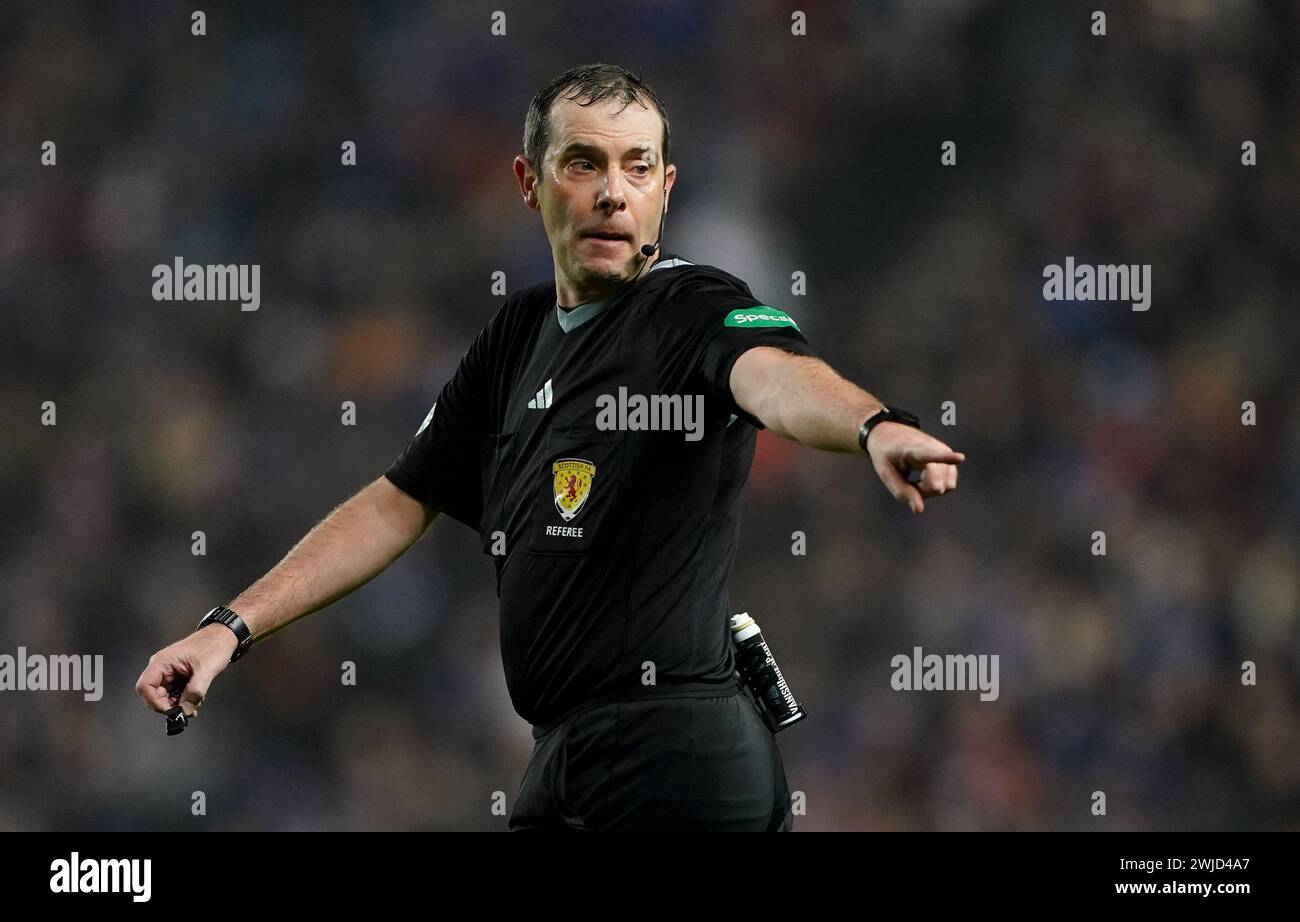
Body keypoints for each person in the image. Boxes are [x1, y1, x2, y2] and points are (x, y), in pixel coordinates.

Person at [135, 62, 965, 831]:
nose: (614, 193)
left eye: (639, 168)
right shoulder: (515, 335)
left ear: (666, 190)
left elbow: (778, 379)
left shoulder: (692, 309)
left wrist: (872, 425)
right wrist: (228, 630)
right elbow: (399, 500)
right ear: (529, 183)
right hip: (563, 758)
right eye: (584, 164)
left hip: (678, 751)